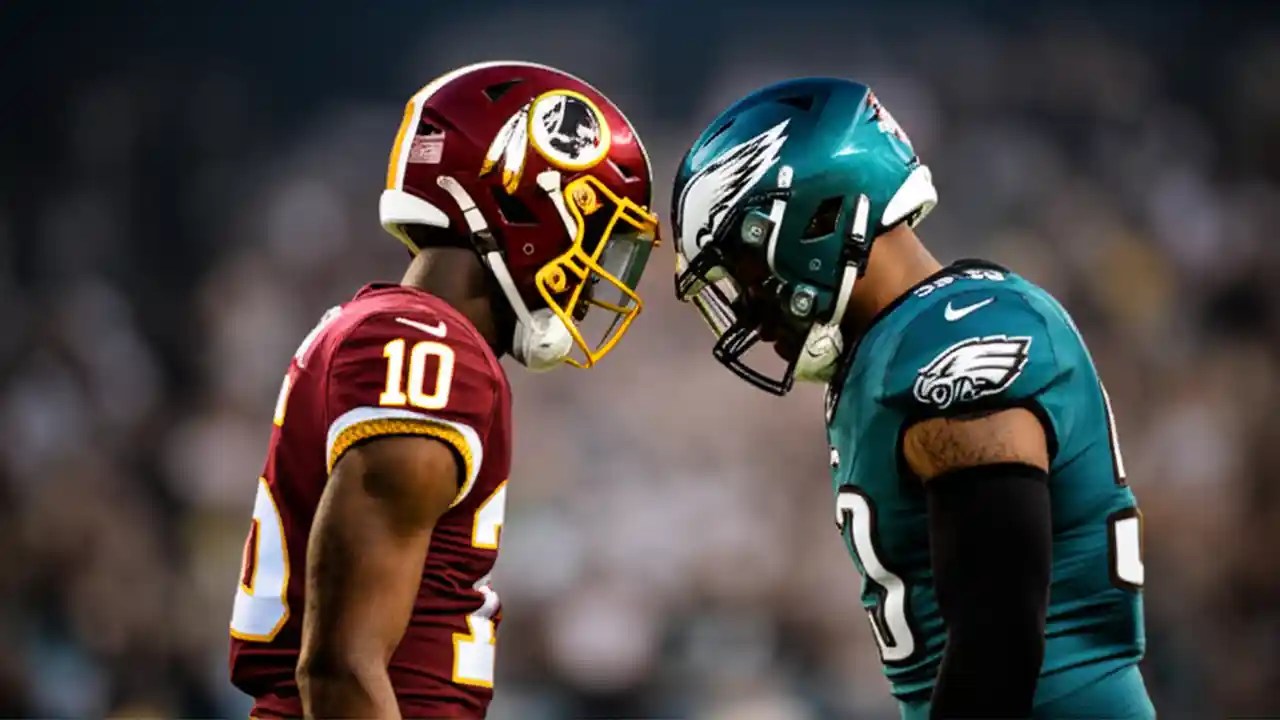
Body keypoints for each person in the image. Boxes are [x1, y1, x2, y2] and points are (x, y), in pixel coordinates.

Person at [671, 77, 1153, 719]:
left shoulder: (958, 333)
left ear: (816, 218)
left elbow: (998, 642)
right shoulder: (895, 346)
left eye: (746, 269)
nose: (749, 307)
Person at [227, 60, 659, 719]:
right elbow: (341, 666)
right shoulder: (426, 345)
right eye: (595, 238)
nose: (594, 277)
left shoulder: (395, 331)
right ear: (524, 207)